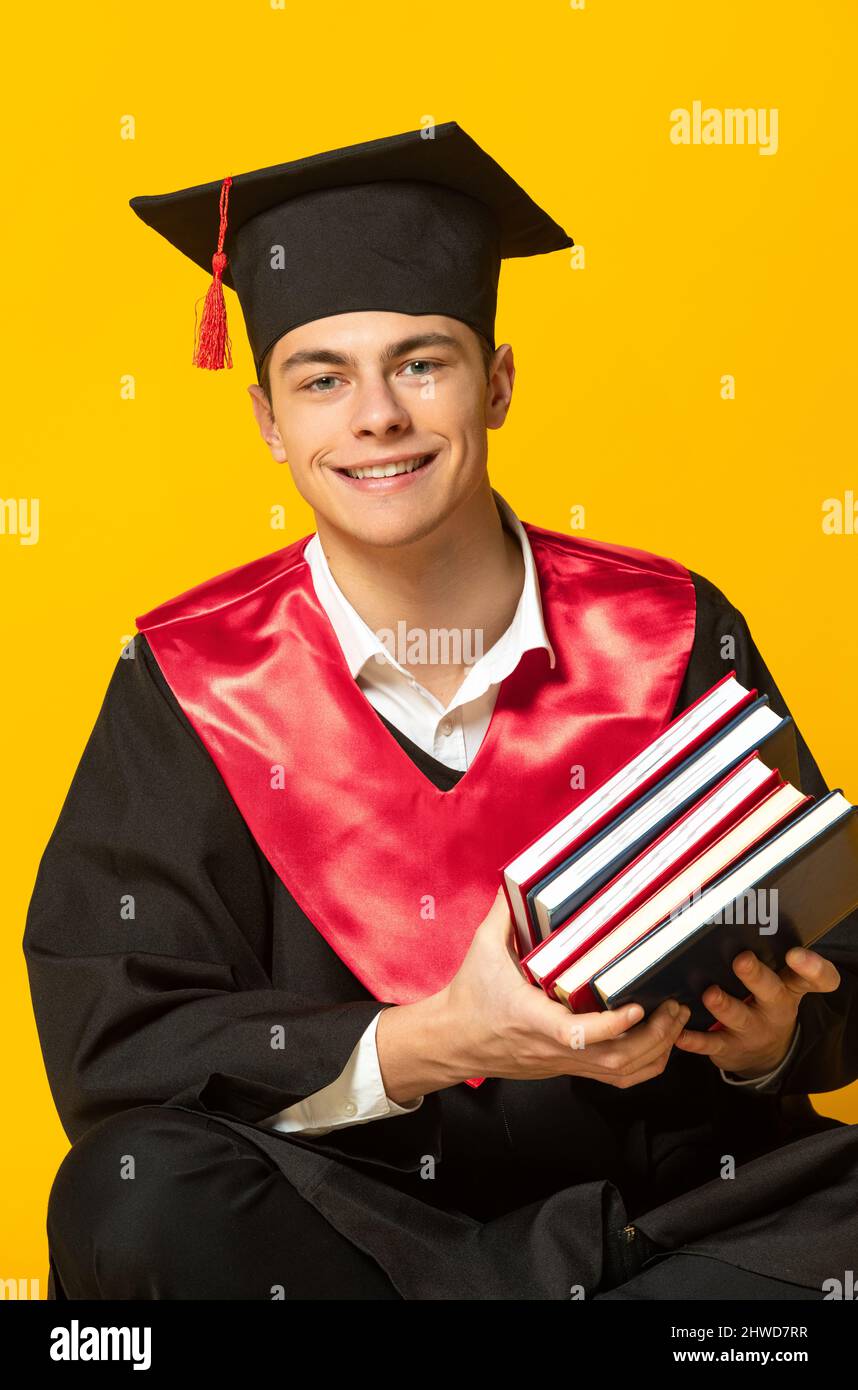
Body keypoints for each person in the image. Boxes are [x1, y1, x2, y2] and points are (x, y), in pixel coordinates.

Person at [24, 122, 858, 1301]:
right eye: (323, 378)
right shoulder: (191, 675)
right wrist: (432, 1043)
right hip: (344, 1231)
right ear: (268, 417)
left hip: (657, 1216)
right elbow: (123, 1034)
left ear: (499, 382)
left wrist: (769, 1039)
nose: (377, 416)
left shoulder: (667, 623)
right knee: (130, 1193)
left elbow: (823, 938)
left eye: (422, 363)